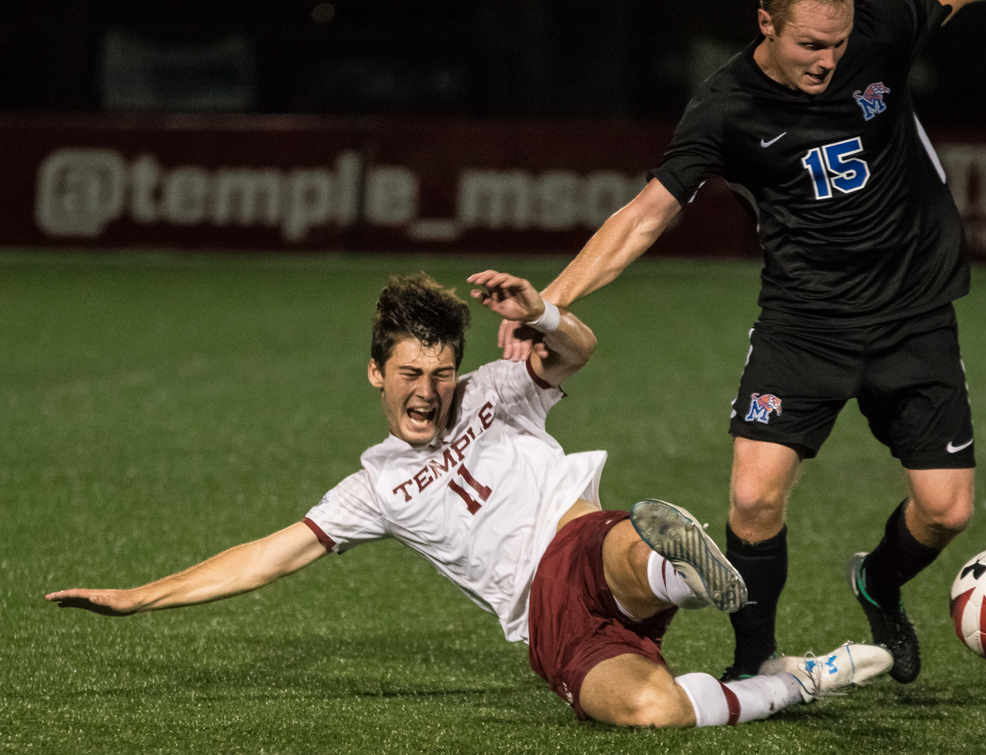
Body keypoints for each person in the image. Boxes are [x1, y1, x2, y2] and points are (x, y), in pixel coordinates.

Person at [46, 270, 893, 728]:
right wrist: (139, 596)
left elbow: (578, 351)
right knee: (654, 710)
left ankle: (684, 569)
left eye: (441, 371)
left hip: (581, 541)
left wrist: (545, 311)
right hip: (548, 624)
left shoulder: (496, 388)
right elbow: (268, 556)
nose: (428, 390)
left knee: (623, 542)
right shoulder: (373, 487)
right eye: (410, 373)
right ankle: (797, 681)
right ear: (376, 372)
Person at [498, 0, 986, 683]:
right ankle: (754, 659)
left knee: (946, 511)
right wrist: (552, 303)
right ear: (766, 22)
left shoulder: (883, 27)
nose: (828, 60)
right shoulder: (726, 106)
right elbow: (645, 217)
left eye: (839, 44)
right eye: (811, 45)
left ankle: (876, 581)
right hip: (804, 324)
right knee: (753, 500)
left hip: (915, 314)